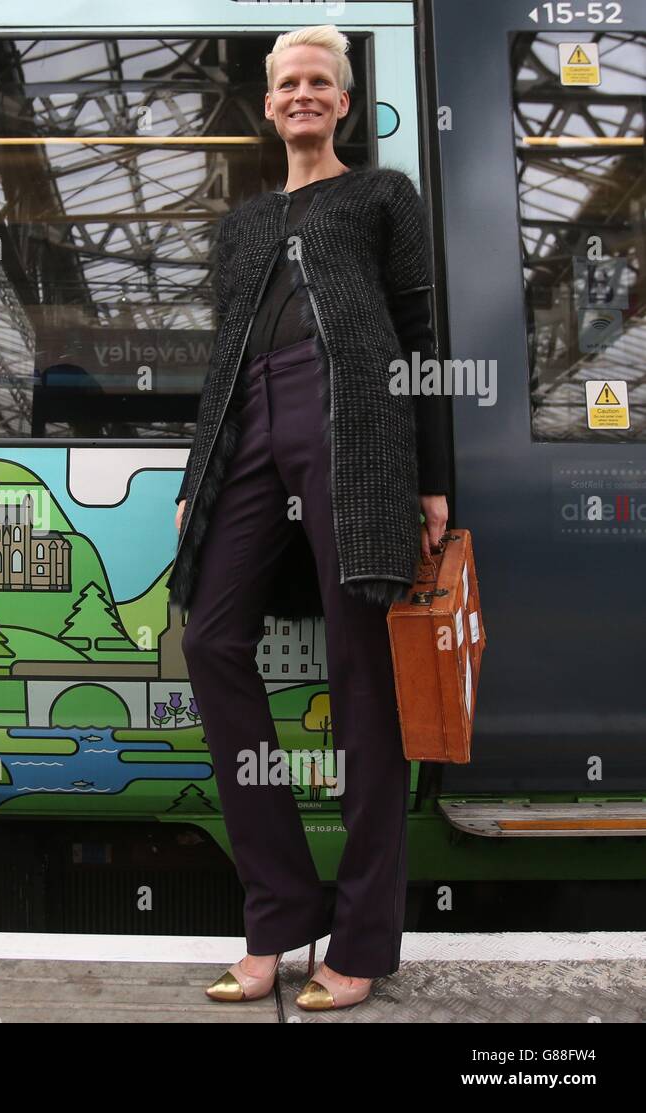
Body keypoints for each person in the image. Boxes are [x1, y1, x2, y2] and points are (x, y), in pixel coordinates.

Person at [168, 25, 451, 1011]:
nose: (299, 94)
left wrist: (429, 480)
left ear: (342, 103)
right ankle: (275, 918)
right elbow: (219, 360)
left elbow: (420, 337)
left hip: (357, 427)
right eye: (285, 82)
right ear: (267, 101)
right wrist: (193, 480)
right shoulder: (240, 225)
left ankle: (361, 941)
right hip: (250, 420)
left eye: (317, 83)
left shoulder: (381, 197)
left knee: (360, 670)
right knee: (208, 637)